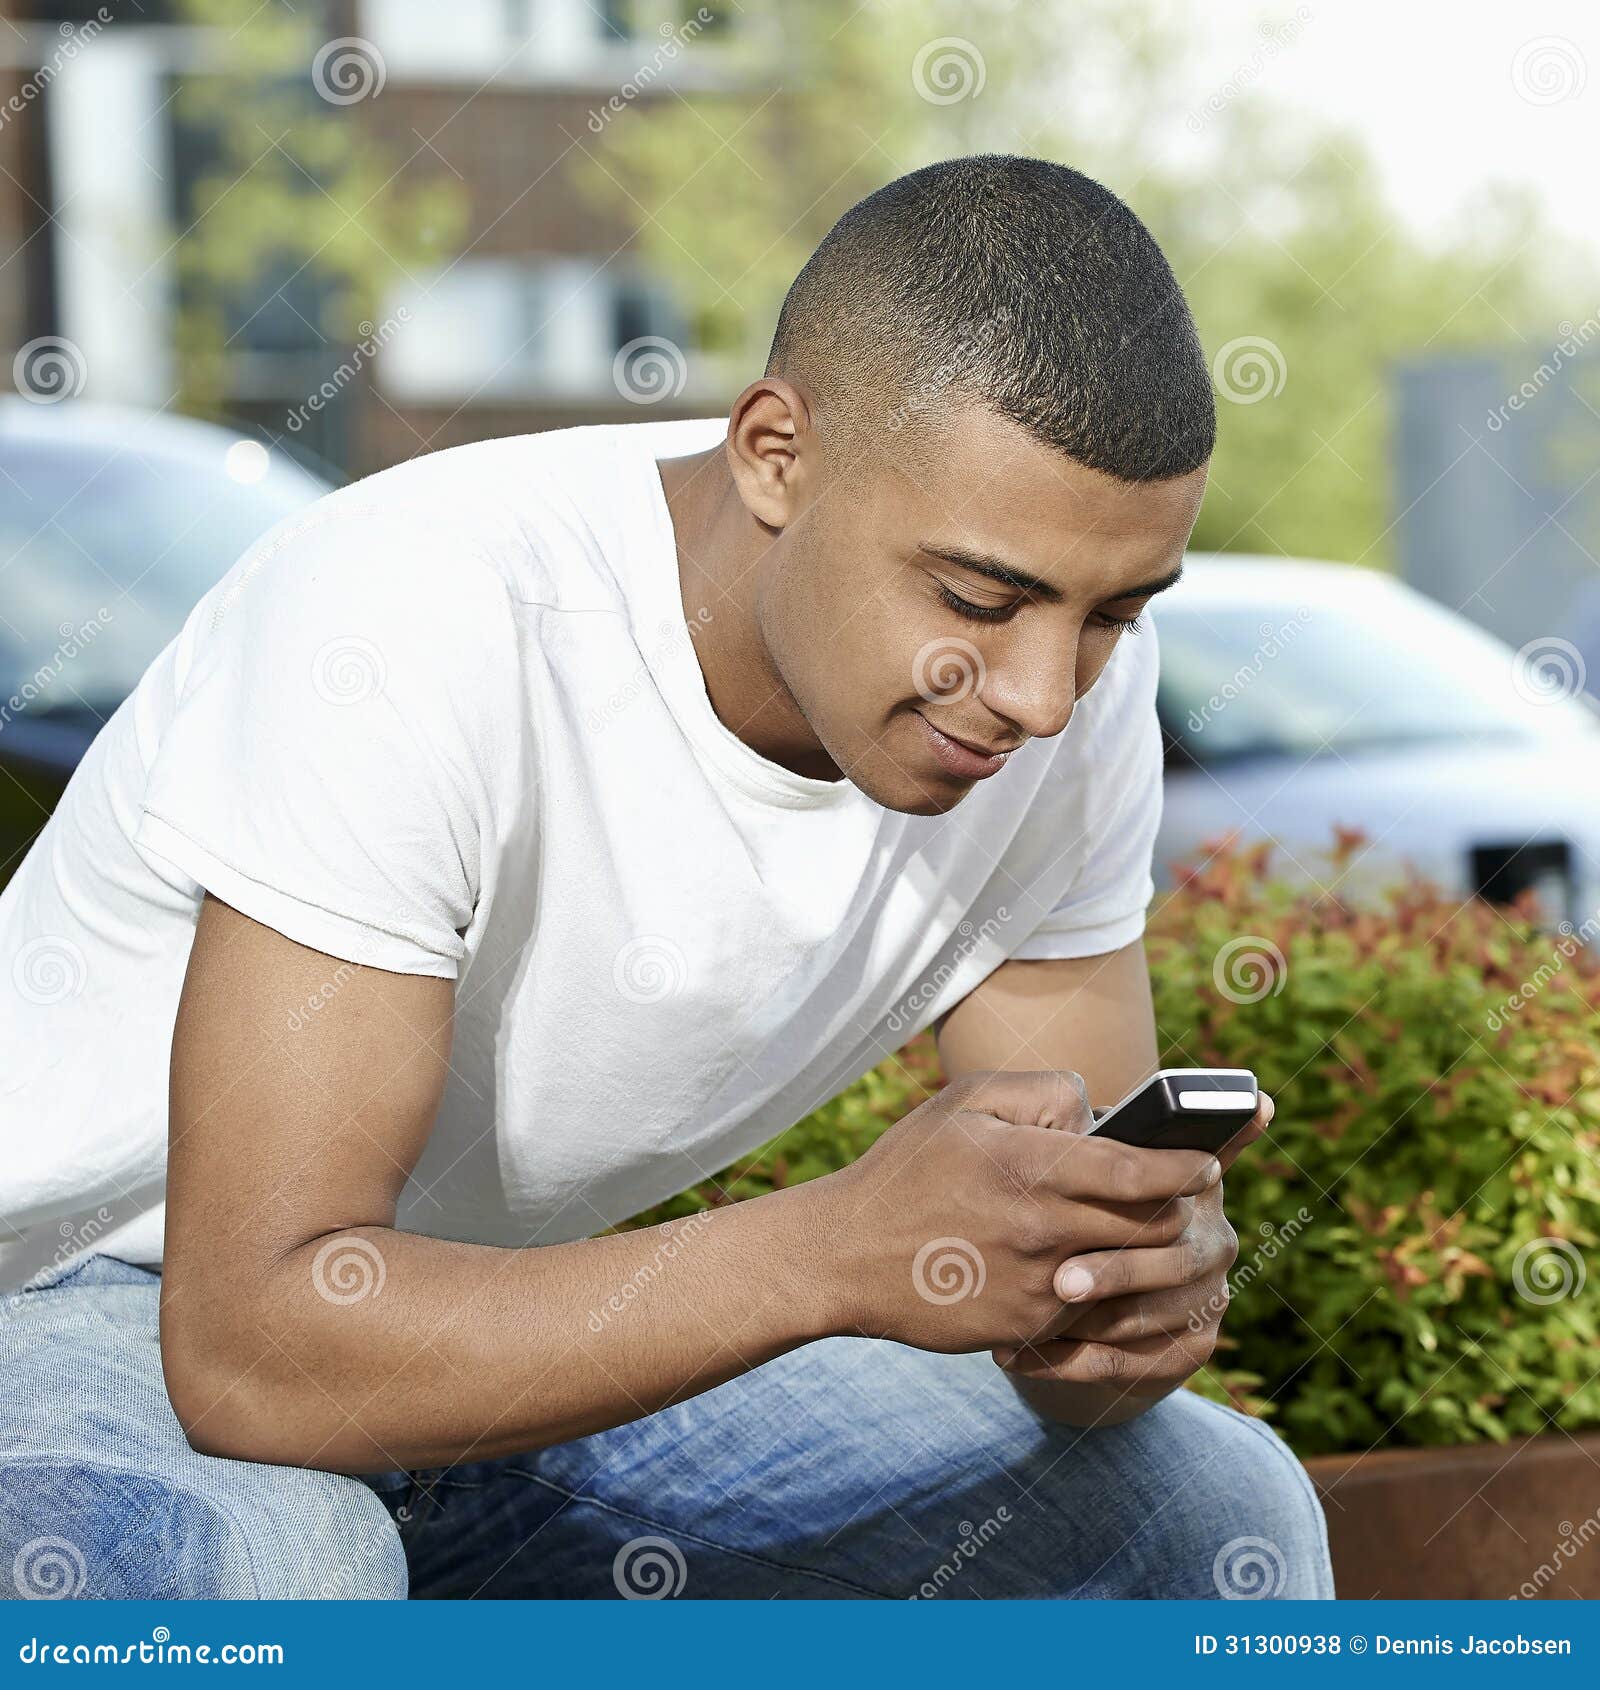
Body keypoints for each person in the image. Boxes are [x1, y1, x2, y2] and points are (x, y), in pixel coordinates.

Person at [0, 155, 1332, 1600]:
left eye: (1114, 614)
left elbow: (1069, 1353)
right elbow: (252, 1353)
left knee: (1203, 1513)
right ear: (776, 454)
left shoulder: (1061, 702)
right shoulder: (415, 611)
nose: (1042, 696)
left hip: (488, 1338)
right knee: (275, 1571)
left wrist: (1118, 1302)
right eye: (975, 598)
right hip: (98, 1312)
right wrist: (834, 1250)